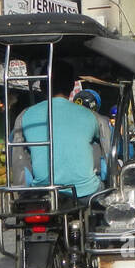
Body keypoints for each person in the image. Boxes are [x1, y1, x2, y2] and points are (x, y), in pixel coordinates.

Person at [13, 61, 105, 198]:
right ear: (72, 86)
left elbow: (17, 158)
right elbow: (109, 154)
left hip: (42, 193)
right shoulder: (93, 117)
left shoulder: (24, 116)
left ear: (43, 85)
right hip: (86, 192)